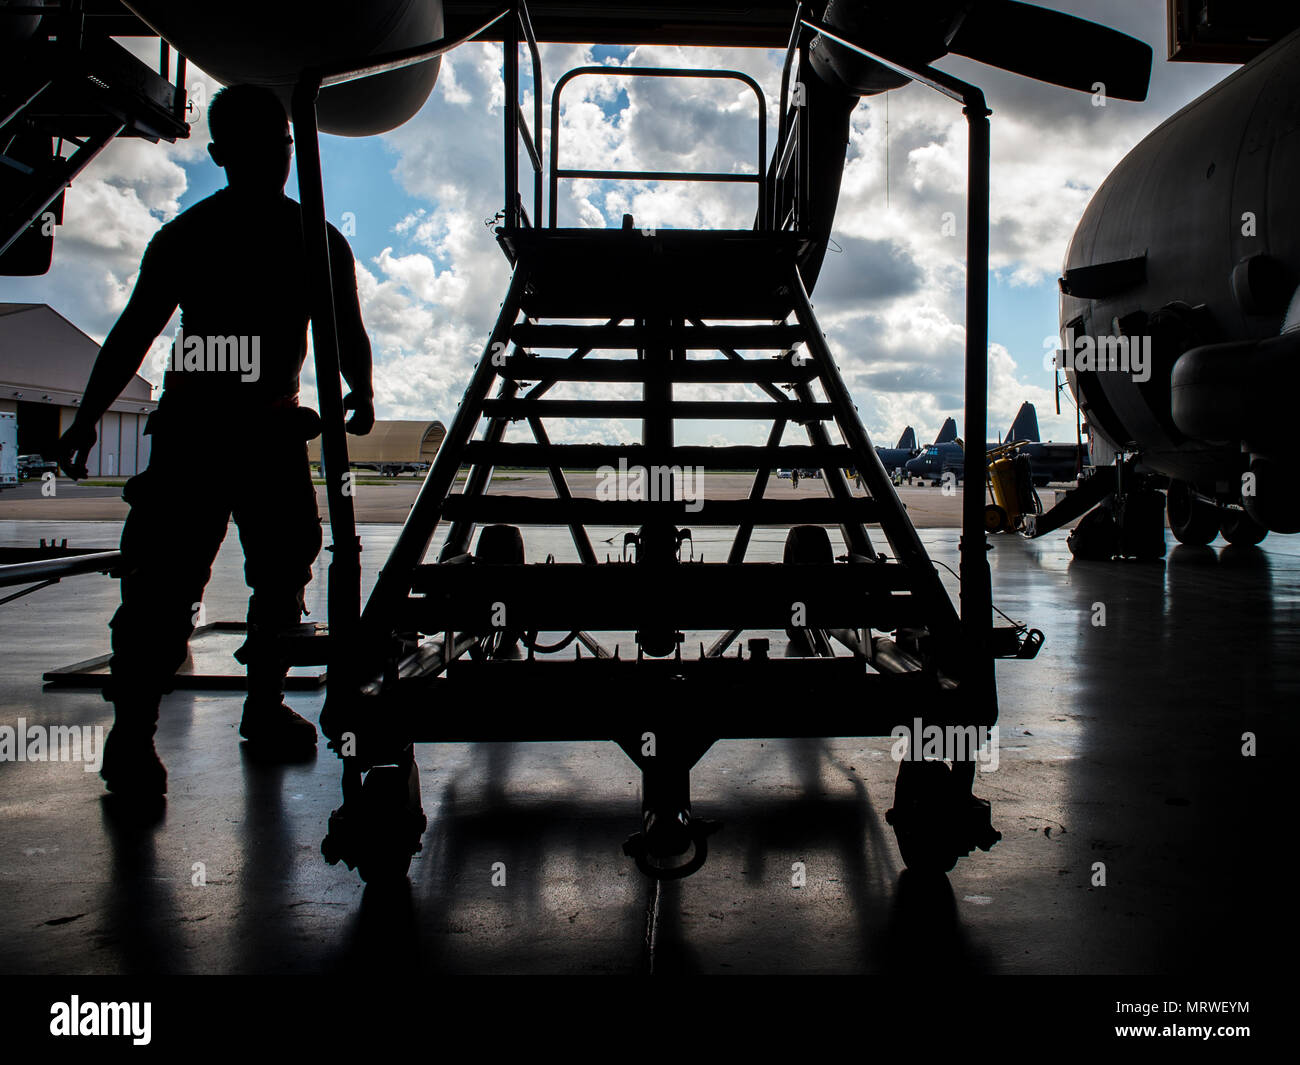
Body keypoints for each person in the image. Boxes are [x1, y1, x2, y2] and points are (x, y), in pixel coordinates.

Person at [57, 84, 373, 798]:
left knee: (259, 577)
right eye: (263, 145)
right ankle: (154, 732)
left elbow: (342, 331)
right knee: (175, 587)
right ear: (224, 153)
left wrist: (361, 386)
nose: (275, 158)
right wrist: (360, 388)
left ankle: (220, 718)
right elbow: (134, 330)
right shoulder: (289, 237)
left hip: (229, 433)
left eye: (280, 145)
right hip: (223, 433)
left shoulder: (256, 236)